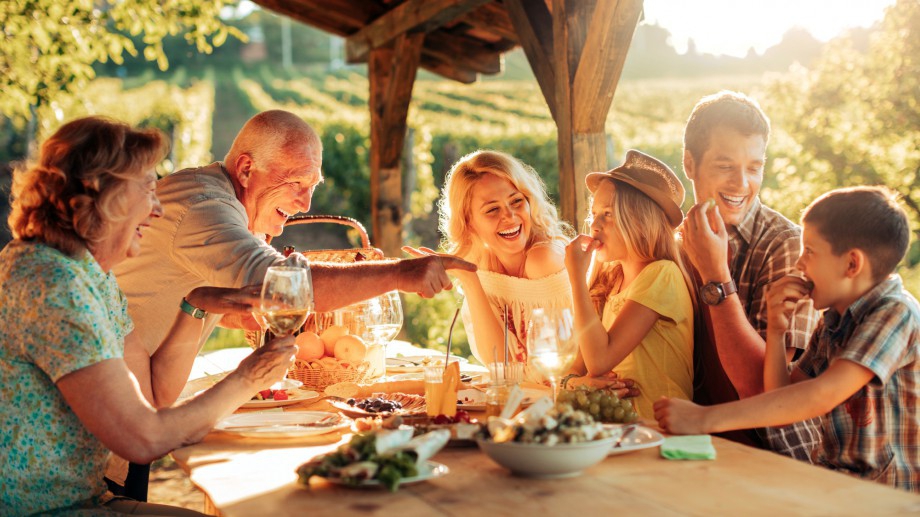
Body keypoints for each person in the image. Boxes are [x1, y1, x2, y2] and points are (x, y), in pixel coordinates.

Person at [107, 110, 474, 489]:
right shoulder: (203, 207)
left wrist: (243, 311)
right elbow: (284, 286)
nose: (305, 203)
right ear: (247, 169)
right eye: (297, 182)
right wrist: (402, 274)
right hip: (107, 424)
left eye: (313, 185)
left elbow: (201, 297)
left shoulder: (219, 200)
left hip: (138, 402)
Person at [0, 116, 296, 515]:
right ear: (104, 194)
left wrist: (197, 304)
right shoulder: (52, 285)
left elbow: (154, 396)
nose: (157, 209)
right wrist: (250, 377)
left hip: (84, 498)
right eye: (147, 190)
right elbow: (142, 440)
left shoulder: (91, 274)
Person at [655, 186, 920, 492]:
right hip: (836, 488)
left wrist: (703, 419)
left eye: (809, 251)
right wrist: (777, 332)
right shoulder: (833, 322)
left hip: (886, 497)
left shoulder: (896, 313)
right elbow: (782, 396)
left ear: (851, 264)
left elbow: (821, 395)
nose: (799, 265)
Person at [680, 91, 822, 460]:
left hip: (775, 453)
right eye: (725, 166)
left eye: (754, 167)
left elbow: (766, 392)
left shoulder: (787, 246)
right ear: (690, 164)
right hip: (689, 442)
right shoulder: (673, 242)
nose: (741, 183)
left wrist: (715, 275)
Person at [406, 150, 572, 376]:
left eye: (516, 201)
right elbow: (500, 365)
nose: (510, 217)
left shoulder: (542, 259)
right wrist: (468, 278)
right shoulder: (481, 263)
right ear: (468, 222)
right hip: (528, 398)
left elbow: (557, 370)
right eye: (493, 209)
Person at [564, 150, 695, 419]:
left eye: (609, 214)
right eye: (594, 213)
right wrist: (575, 384)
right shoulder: (608, 280)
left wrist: (576, 277)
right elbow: (579, 368)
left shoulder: (662, 274)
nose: (595, 225)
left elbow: (600, 360)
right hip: (614, 429)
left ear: (640, 220)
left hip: (658, 430)